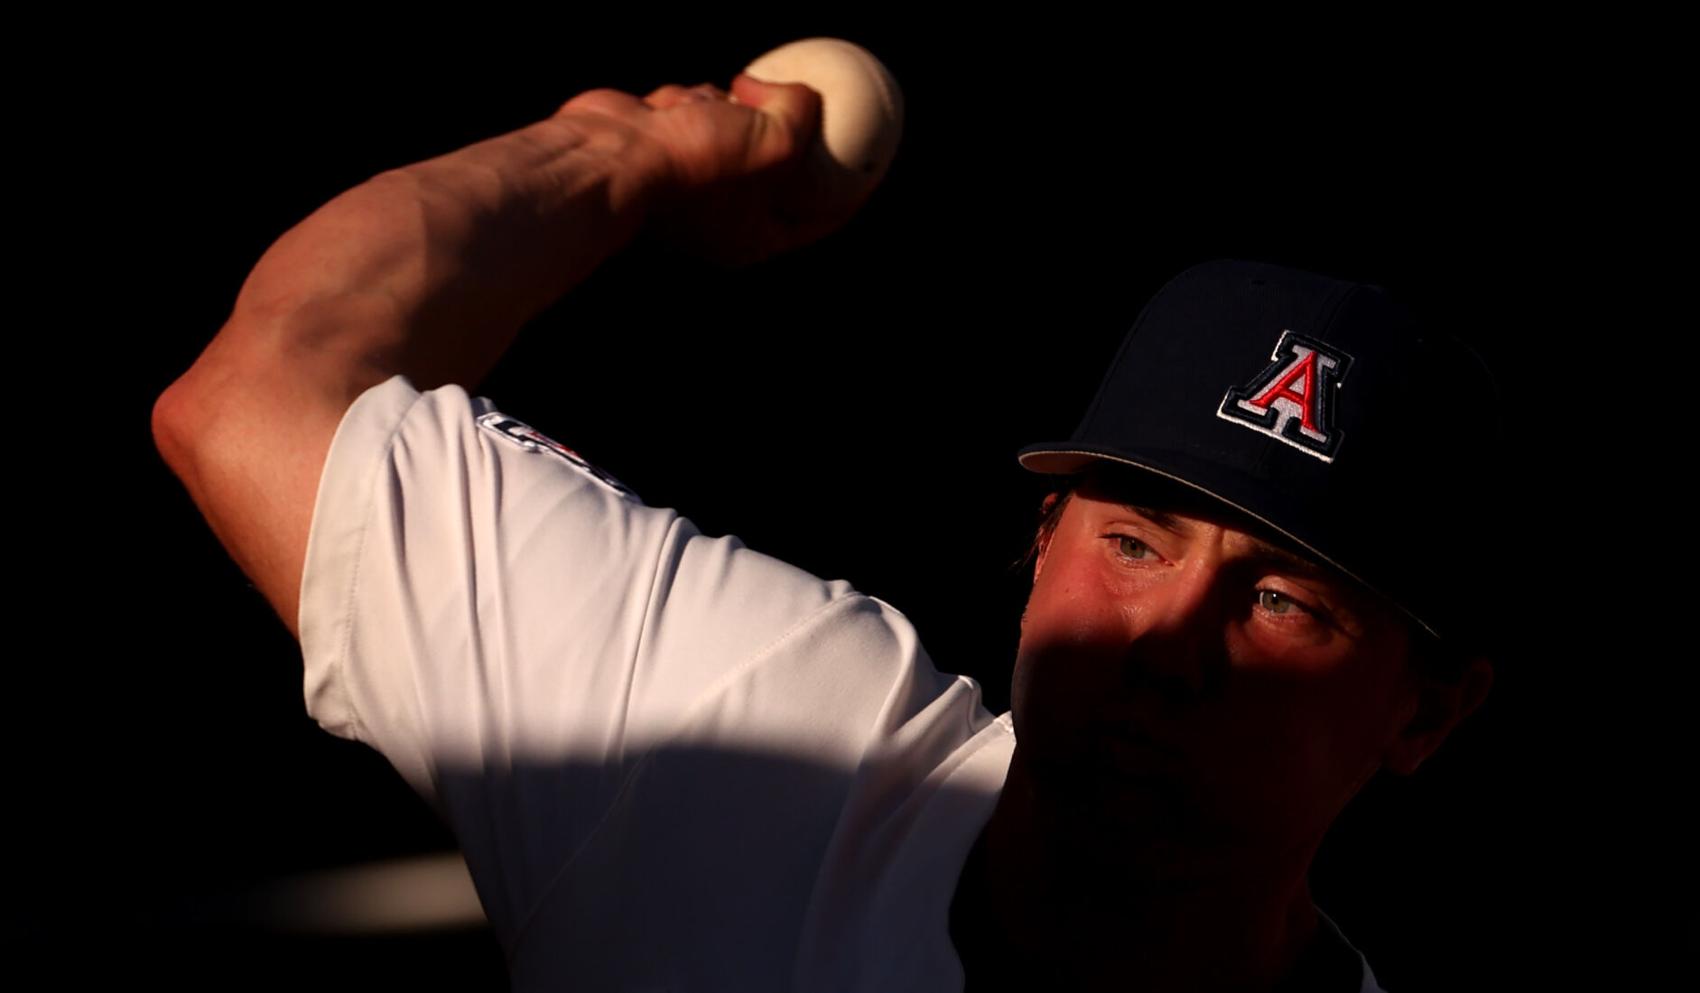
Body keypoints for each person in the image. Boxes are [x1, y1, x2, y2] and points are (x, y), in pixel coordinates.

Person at [152, 70, 1498, 992]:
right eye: (1136, 542)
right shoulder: (739, 741)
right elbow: (261, 394)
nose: (1167, 646)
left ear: (1425, 715)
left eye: (1283, 602)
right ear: (1040, 545)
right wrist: (626, 153)